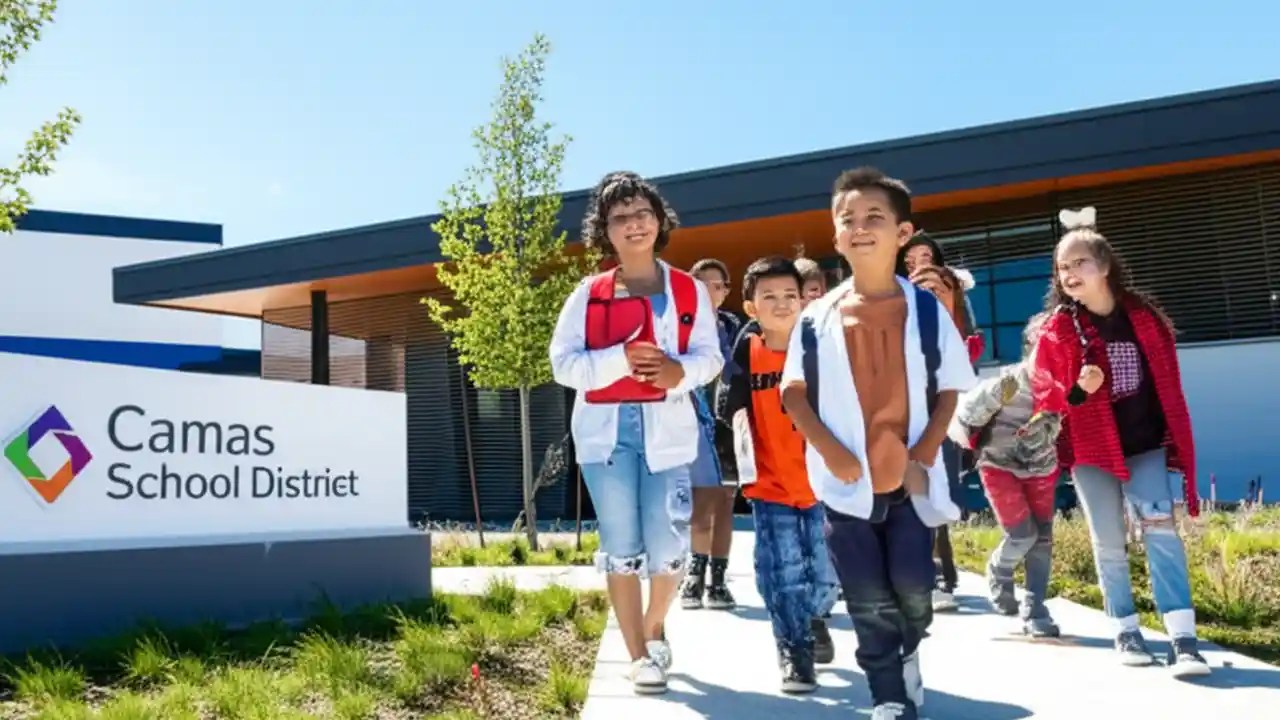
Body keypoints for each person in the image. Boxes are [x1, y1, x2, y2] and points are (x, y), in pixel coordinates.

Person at [781, 167, 977, 720]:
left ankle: (910, 645)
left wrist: (922, 457)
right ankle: (888, 694)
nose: (860, 228)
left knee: (915, 590)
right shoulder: (816, 318)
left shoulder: (926, 310)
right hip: (845, 484)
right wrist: (832, 452)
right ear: (836, 235)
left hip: (908, 481)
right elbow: (794, 396)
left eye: (874, 218)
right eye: (848, 220)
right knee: (866, 597)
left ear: (903, 233)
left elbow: (949, 392)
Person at [549, 171, 723, 694]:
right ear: (605, 230)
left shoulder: (689, 290)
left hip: (666, 431)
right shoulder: (589, 293)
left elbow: (710, 357)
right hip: (606, 435)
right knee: (622, 543)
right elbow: (563, 364)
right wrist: (617, 360)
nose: (633, 224)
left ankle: (654, 626)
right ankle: (639, 655)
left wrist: (679, 373)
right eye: (619, 217)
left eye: (641, 213)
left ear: (659, 220)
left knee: (668, 541)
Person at [1030, 206, 1210, 678]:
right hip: (1091, 450)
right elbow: (1049, 399)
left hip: (1145, 442)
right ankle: (1125, 629)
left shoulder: (1145, 319)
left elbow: (1168, 381)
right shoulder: (1057, 330)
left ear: (1104, 265)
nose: (1069, 273)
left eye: (1079, 263)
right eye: (1062, 267)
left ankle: (1183, 638)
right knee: (1108, 539)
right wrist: (1079, 390)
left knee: (1161, 531)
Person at [717, 256, 839, 693]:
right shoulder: (746, 354)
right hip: (769, 485)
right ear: (751, 307)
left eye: (791, 294)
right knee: (782, 569)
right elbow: (727, 413)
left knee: (828, 573)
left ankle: (813, 616)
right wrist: (735, 470)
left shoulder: (821, 350)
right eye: (769, 297)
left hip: (825, 485)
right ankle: (794, 650)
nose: (783, 304)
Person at [948, 312, 1063, 637]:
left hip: (1041, 468)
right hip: (998, 466)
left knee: (1042, 539)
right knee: (1022, 535)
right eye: (1045, 341)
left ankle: (1035, 608)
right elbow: (965, 417)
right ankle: (1000, 568)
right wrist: (994, 400)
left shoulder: (1063, 387)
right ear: (1031, 345)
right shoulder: (1009, 382)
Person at [897, 233, 983, 613]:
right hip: (901, 408)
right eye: (910, 259)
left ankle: (936, 575)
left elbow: (968, 356)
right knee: (909, 491)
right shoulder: (893, 297)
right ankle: (925, 576)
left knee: (939, 490)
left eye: (926, 256)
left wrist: (944, 302)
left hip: (944, 411)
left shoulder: (954, 300)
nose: (918, 264)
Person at [682, 258, 743, 610]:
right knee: (701, 501)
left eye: (717, 285)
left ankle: (717, 580)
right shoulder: (681, 325)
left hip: (729, 425)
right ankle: (694, 573)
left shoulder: (735, 327)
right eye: (701, 283)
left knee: (724, 501)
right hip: (690, 422)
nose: (709, 290)